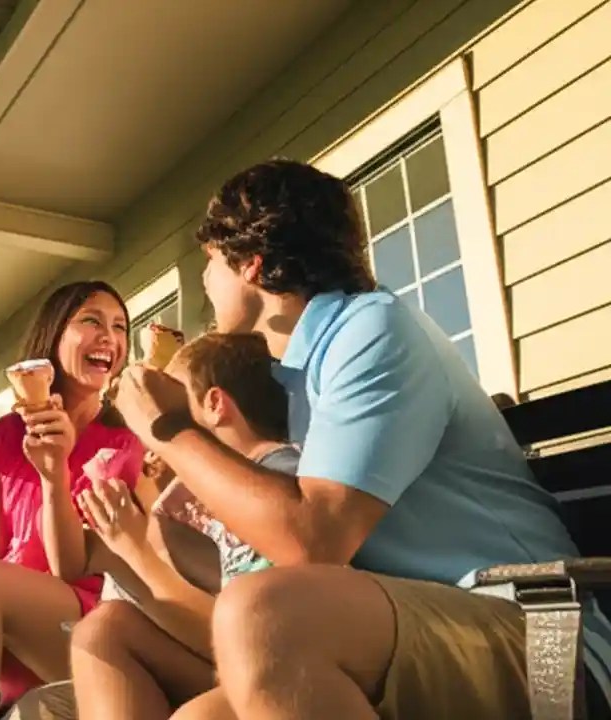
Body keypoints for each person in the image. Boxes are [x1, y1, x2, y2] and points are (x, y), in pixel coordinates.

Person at [109, 158, 611, 719]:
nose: (205, 282)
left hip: (539, 636)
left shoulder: (372, 331)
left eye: (210, 263)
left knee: (265, 617)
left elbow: (311, 542)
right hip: (417, 628)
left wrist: (174, 431)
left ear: (251, 265)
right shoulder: (304, 378)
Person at [0, 281, 145, 720]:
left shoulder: (127, 445)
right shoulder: (1, 436)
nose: (109, 337)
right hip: (0, 610)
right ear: (52, 335)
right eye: (91, 320)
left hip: (85, 626)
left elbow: (69, 570)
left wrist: (56, 472)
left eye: (119, 327)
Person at [71, 331, 299, 719]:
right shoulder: (229, 488)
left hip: (294, 673)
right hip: (253, 658)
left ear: (214, 404)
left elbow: (251, 642)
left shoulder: (273, 480)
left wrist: (136, 553)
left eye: (167, 403)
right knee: (103, 629)